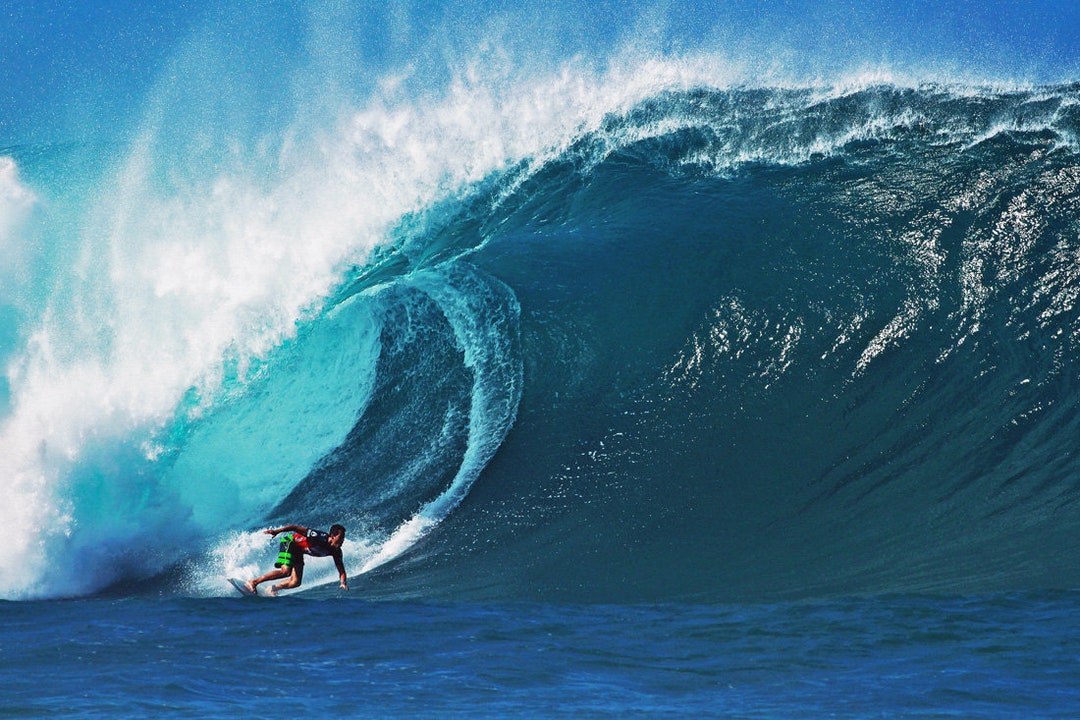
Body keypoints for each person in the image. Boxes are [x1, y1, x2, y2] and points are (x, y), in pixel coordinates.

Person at [245, 524, 348, 596]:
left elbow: (341, 571)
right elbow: (294, 527)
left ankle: (273, 588)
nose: (343, 540)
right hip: (289, 542)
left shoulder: (336, 551)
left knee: (295, 582)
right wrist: (276, 531)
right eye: (341, 537)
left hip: (298, 551)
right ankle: (253, 582)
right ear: (333, 536)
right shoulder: (318, 536)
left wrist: (343, 582)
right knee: (286, 572)